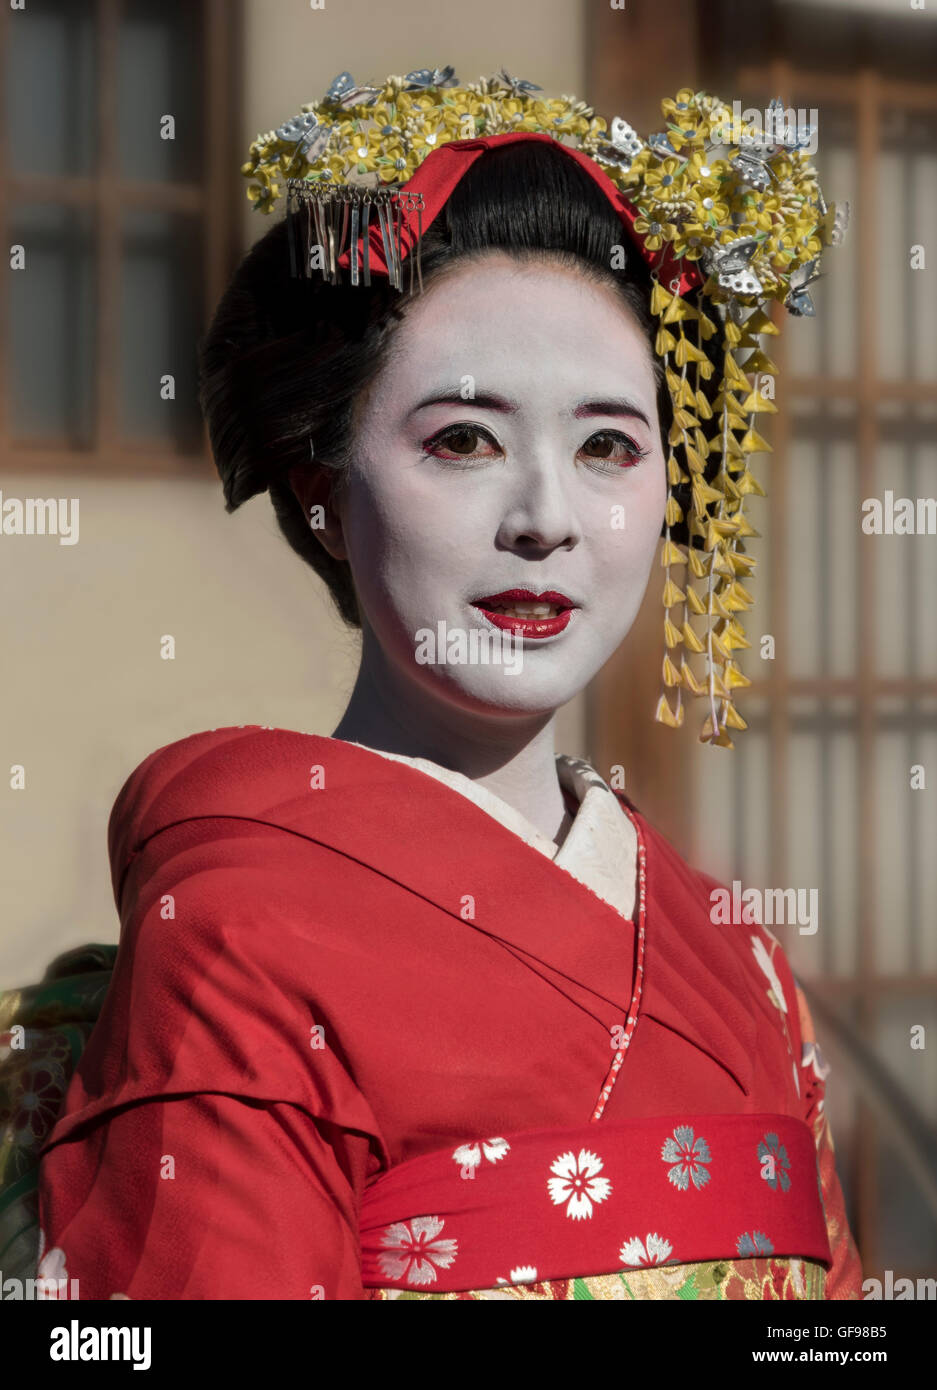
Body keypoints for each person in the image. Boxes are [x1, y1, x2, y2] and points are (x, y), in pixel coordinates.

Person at [32, 73, 861, 1299]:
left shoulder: (737, 959)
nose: (545, 520)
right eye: (462, 440)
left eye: (608, 447)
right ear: (321, 487)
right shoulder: (233, 928)